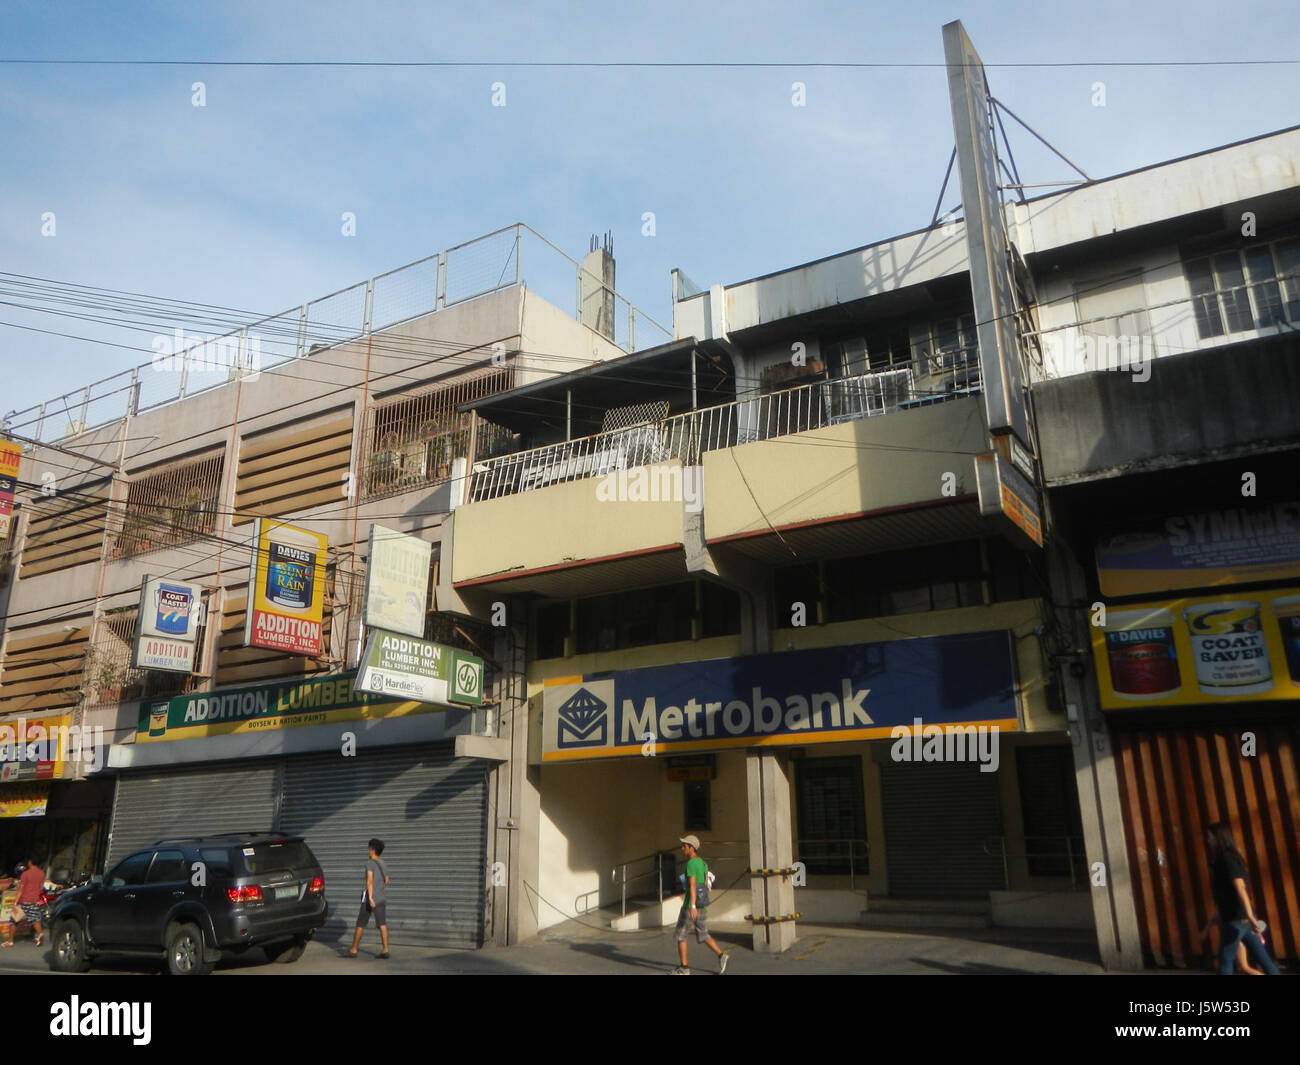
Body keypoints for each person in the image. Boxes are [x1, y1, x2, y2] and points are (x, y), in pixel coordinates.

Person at [1202, 821, 1279, 976]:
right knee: (1262, 958)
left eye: (1210, 836)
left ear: (1218, 838)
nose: (1208, 840)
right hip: (1242, 919)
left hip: (1235, 919)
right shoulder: (1232, 858)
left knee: (1225, 961)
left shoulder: (1226, 860)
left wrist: (1250, 915)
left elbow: (1240, 888)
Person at [669, 835, 728, 975]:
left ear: (691, 848)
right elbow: (707, 884)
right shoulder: (702, 863)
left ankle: (684, 968)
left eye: (684, 845)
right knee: (703, 934)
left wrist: (692, 906)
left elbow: (693, 885)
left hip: (691, 906)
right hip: (703, 905)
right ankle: (721, 955)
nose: (682, 848)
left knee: (681, 935)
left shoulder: (691, 864)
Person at [346, 839, 390, 959]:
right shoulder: (383, 863)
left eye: (369, 848)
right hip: (381, 897)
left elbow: (369, 881)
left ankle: (354, 949)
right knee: (382, 924)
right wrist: (379, 888)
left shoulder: (369, 863)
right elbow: (387, 880)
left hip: (369, 899)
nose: (368, 851)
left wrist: (370, 897)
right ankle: (385, 950)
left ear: (372, 850)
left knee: (360, 924)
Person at [4, 857, 45, 949]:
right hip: (34, 900)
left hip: (23, 900)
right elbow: (40, 887)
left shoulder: (25, 874)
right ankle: (40, 935)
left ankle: (10, 942)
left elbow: (20, 889)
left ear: (30, 862)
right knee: (35, 919)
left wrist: (15, 902)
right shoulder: (42, 873)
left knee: (13, 921)